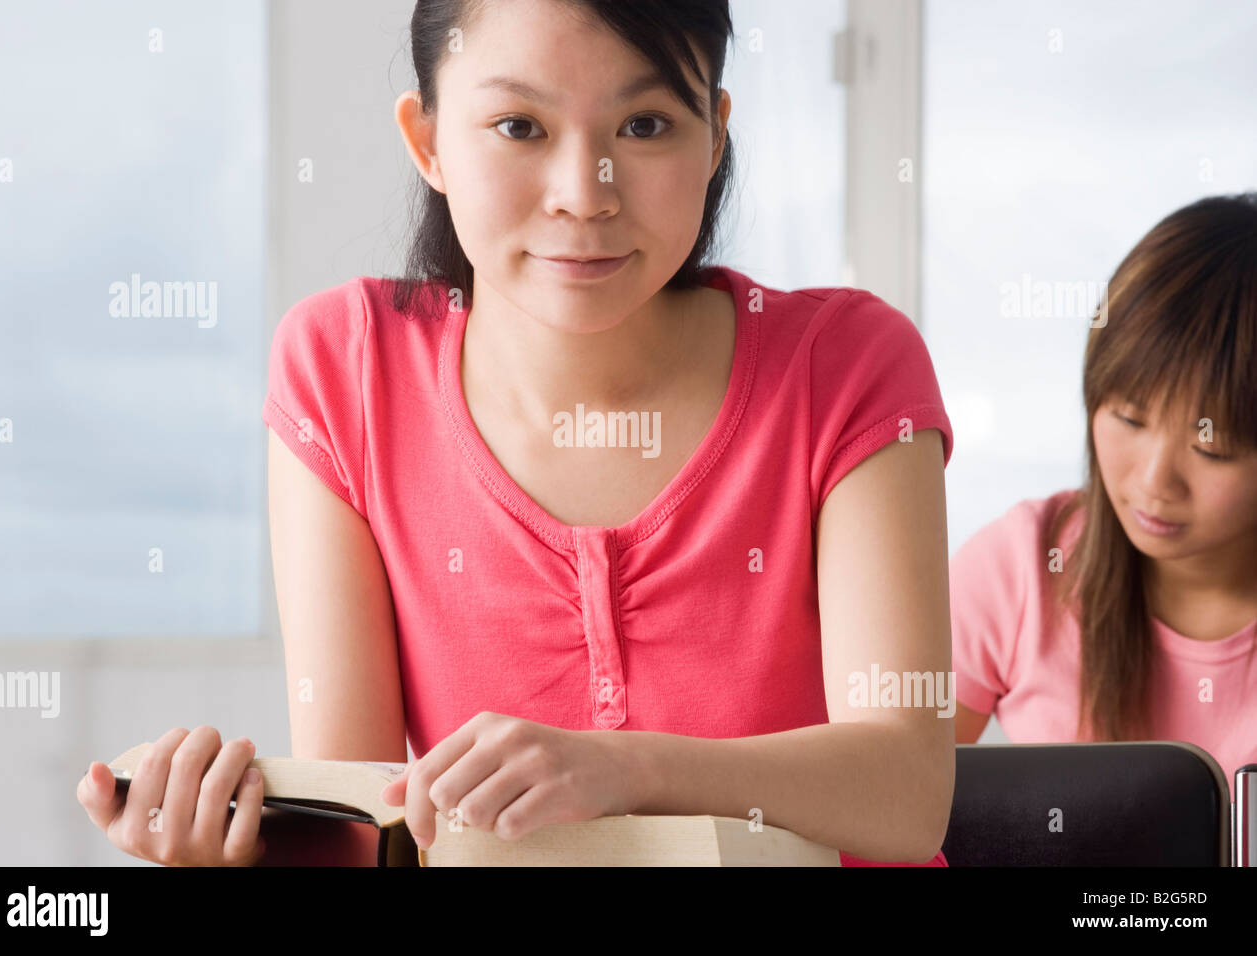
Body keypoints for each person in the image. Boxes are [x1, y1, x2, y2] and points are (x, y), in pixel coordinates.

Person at [79, 0, 956, 866]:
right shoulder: (343, 369)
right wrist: (246, 855)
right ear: (427, 142)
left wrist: (624, 767)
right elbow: (365, 834)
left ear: (716, 136)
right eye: (518, 126)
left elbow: (906, 792)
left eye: (646, 123)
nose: (585, 194)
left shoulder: (847, 363)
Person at [951, 193, 1257, 788]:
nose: (1152, 483)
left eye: (1210, 448)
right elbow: (885, 808)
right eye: (1128, 418)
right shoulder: (1023, 566)